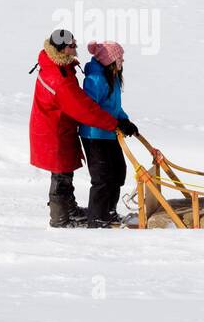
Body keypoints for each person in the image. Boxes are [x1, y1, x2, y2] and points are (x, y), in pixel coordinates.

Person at [28, 29, 138, 228]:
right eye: (71, 46)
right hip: (52, 130)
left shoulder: (59, 66)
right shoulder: (59, 79)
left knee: (65, 172)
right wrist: (114, 123)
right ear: (60, 49)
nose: (75, 48)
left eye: (75, 44)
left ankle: (70, 210)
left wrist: (122, 120)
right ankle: (61, 218)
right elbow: (84, 109)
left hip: (60, 126)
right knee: (61, 173)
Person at [79, 40, 132, 228]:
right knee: (102, 178)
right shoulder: (95, 79)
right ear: (110, 60)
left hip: (110, 133)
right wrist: (115, 123)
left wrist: (125, 120)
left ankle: (109, 211)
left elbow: (114, 107)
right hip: (94, 135)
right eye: (120, 58)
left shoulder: (113, 77)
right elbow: (90, 109)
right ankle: (97, 218)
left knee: (118, 173)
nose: (122, 61)